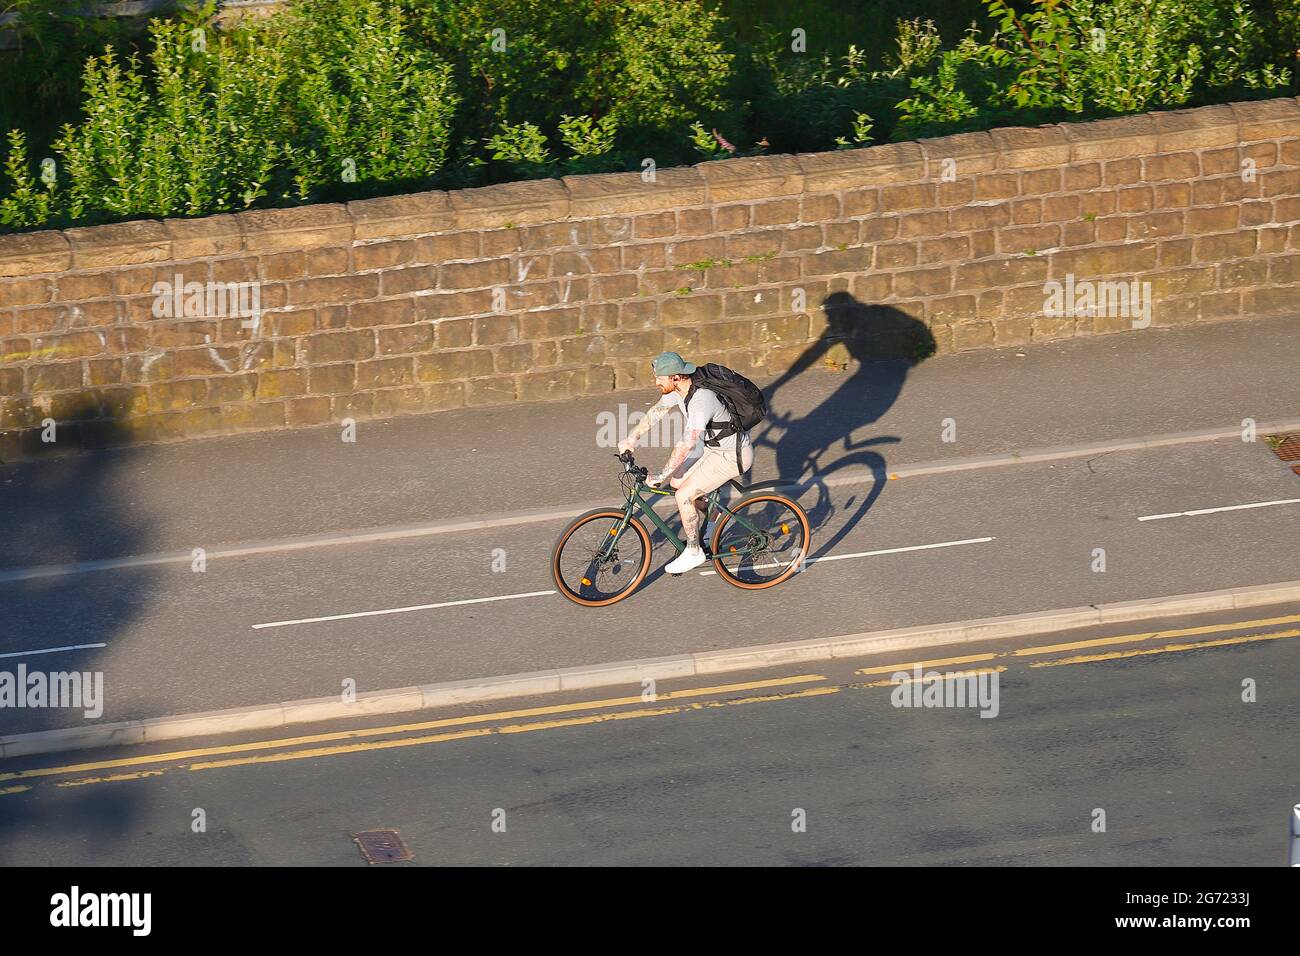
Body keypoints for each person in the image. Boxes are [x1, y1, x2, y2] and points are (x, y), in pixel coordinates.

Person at [617, 352, 754, 574]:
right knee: (677, 483)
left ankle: (693, 551)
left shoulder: (702, 399)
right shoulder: (679, 391)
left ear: (676, 377)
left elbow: (686, 443)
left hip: (732, 456)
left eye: (660, 378)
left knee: (683, 496)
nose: (656, 382)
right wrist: (631, 439)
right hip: (713, 450)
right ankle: (717, 517)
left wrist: (661, 475)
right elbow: (656, 413)